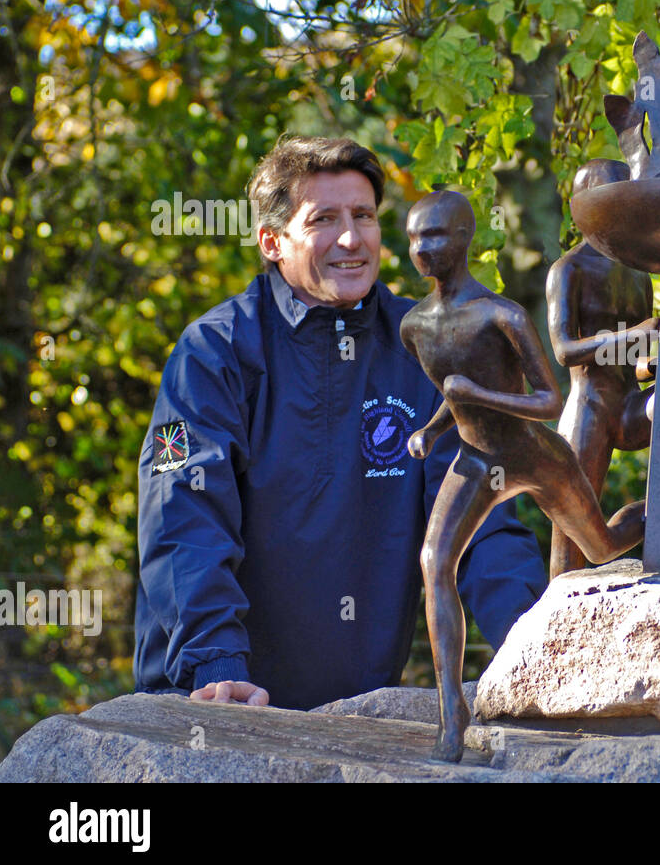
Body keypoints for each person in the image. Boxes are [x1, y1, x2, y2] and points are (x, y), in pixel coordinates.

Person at [133, 136, 547, 711]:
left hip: (356, 710)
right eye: (324, 219)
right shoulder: (214, 352)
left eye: (364, 216)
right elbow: (183, 513)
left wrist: (534, 650)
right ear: (272, 242)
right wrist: (215, 662)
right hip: (216, 696)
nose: (351, 238)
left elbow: (480, 517)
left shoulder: (426, 345)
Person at [401, 190, 645, 760]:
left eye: (435, 236)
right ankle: (450, 714)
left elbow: (546, 396)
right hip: (475, 458)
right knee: (435, 562)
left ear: (464, 239)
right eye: (414, 238)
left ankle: (653, 521)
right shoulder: (414, 326)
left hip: (535, 452)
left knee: (602, 546)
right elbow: (453, 396)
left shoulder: (501, 315)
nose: (423, 249)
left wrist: (474, 394)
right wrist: (433, 431)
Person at [545, 159, 657, 579]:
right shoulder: (568, 269)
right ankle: (557, 624)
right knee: (570, 538)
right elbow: (564, 350)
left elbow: (633, 363)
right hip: (588, 408)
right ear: (584, 205)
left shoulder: (638, 275)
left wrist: (654, 364)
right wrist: (635, 336)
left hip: (629, 405)